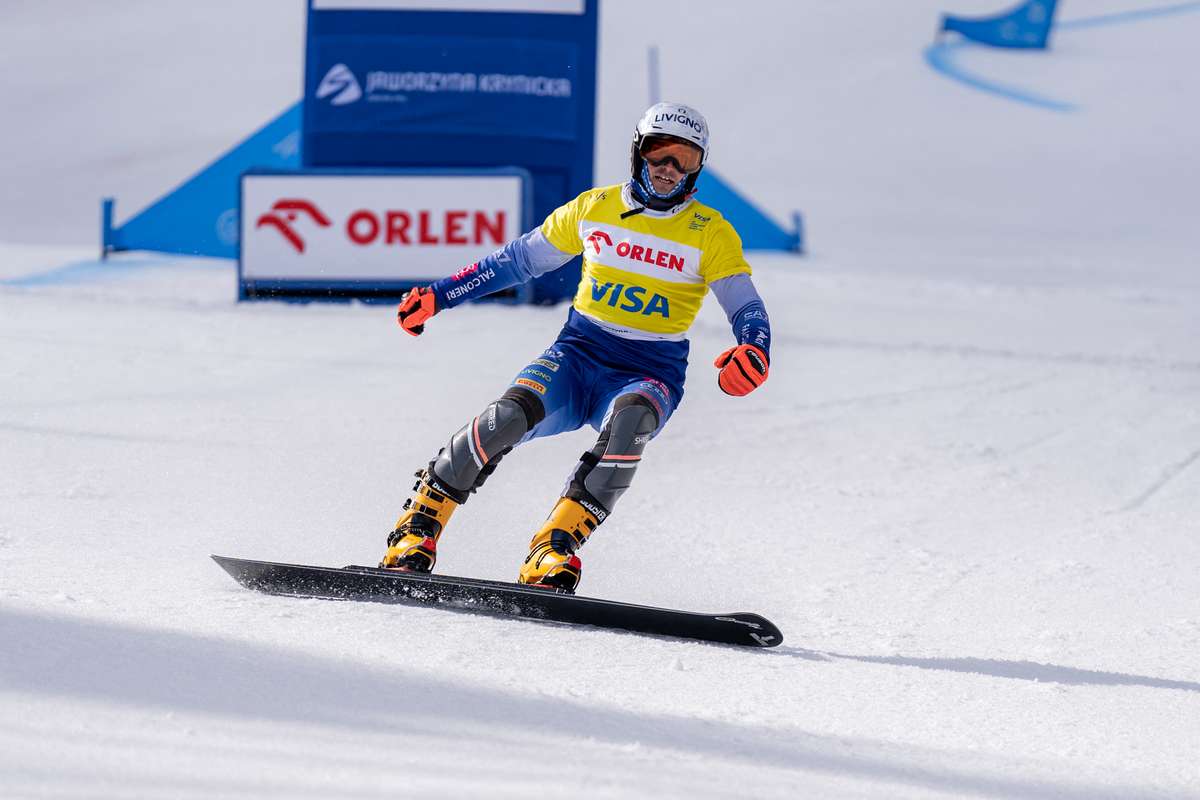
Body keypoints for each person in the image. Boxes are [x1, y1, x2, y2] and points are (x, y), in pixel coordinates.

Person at [382, 102, 772, 593]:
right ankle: (415, 528)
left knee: (630, 424)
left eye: (685, 158)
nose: (669, 168)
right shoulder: (595, 207)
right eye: (659, 152)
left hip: (649, 371)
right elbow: (517, 261)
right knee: (508, 417)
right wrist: (441, 295)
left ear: (698, 167)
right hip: (578, 354)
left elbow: (745, 304)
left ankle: (552, 551)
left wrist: (754, 350)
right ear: (638, 152)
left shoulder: (710, 232)